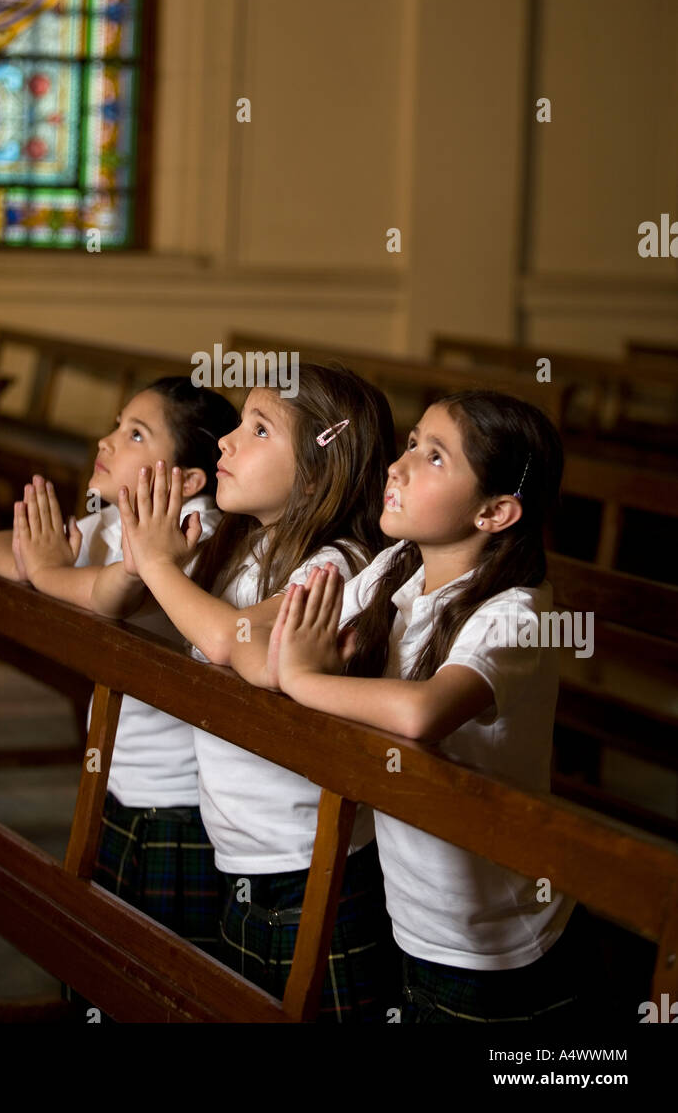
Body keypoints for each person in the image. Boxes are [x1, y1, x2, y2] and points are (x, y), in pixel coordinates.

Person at [273, 389, 600, 1024]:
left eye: (435, 457)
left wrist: (303, 680)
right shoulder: (397, 565)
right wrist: (293, 662)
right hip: (417, 922)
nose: (398, 466)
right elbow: (283, 646)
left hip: (504, 952)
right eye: (411, 443)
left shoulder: (517, 614)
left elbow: (424, 713)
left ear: (496, 511)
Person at [117, 365, 400, 1021]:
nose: (226, 443)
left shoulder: (337, 565)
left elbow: (231, 642)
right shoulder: (246, 550)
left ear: (318, 468)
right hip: (242, 854)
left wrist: (157, 564)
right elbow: (236, 643)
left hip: (314, 868)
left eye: (259, 429)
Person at [0, 378, 239, 955]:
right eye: (118, 424)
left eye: (135, 433)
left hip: (176, 803)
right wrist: (32, 558)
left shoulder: (197, 531)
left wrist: (47, 572)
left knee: (162, 970)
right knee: (103, 957)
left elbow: (122, 591)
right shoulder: (118, 521)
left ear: (189, 480)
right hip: (116, 781)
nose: (108, 439)